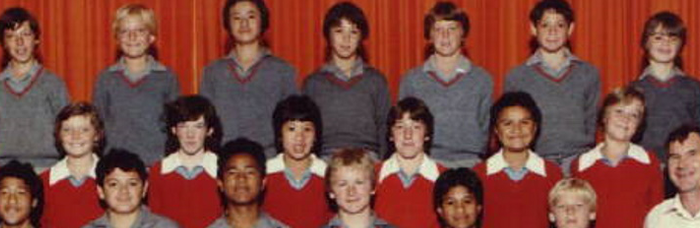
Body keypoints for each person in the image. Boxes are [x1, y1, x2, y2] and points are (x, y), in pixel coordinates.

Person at [573, 88, 663, 228]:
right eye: (619, 111)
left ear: (639, 124)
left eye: (634, 115)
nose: (626, 119)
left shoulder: (649, 162)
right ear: (604, 117)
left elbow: (657, 214)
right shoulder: (582, 165)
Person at [503, 0, 601, 172]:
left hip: (579, 160)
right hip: (535, 162)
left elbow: (591, 122)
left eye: (560, 25)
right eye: (545, 25)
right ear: (533, 29)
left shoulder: (588, 73)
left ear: (570, 29)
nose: (552, 31)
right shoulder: (517, 77)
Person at [397, 2, 493, 168]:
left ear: (463, 33)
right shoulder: (412, 79)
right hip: (425, 162)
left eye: (452, 28)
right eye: (438, 29)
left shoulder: (482, 79)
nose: (445, 36)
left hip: (469, 162)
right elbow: (403, 126)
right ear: (429, 35)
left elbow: (486, 126)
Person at [199, 0, 298, 156]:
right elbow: (204, 124)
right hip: (223, 159)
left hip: (270, 159)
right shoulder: (212, 72)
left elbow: (293, 123)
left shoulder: (283, 71)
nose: (244, 23)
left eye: (251, 17)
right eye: (237, 18)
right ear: (228, 24)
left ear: (262, 21)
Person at [475, 91, 563, 228]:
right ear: (496, 129)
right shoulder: (479, 174)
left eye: (524, 122)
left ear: (535, 128)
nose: (516, 130)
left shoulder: (553, 174)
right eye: (507, 123)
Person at [93, 3, 180, 167]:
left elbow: (175, 126)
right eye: (124, 31)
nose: (132, 37)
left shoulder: (167, 77)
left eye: (140, 31)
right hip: (116, 166)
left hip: (157, 164)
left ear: (151, 37)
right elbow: (97, 127)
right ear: (117, 38)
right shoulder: (105, 79)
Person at [0, 6, 70, 169]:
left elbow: (66, 129)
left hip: (48, 167)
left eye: (26, 34)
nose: (20, 42)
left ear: (36, 39)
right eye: (11, 36)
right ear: (3, 43)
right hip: (7, 168)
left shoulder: (54, 83)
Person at [302, 2, 390, 158]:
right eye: (339, 31)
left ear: (361, 37)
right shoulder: (313, 83)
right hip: (326, 157)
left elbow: (385, 128)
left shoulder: (376, 80)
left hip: (367, 156)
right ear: (328, 35)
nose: (346, 39)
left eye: (353, 32)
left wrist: (381, 165)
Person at [629, 12, 700, 163]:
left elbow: (699, 137)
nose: (665, 44)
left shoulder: (695, 89)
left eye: (673, 38)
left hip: (681, 167)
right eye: (658, 38)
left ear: (681, 45)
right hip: (643, 165)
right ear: (645, 42)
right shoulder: (633, 90)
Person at [148, 95, 224, 228]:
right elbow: (154, 223)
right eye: (183, 126)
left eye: (198, 126)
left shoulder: (221, 170)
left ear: (209, 130)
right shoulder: (158, 171)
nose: (190, 134)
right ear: (174, 130)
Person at [375, 98, 446, 228]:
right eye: (400, 127)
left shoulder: (444, 178)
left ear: (427, 134)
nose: (407, 135)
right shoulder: (372, 176)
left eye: (416, 127)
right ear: (391, 134)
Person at [41, 102, 106, 228]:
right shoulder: (43, 182)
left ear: (96, 135)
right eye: (67, 130)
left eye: (84, 129)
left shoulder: (111, 180)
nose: (75, 136)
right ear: (59, 135)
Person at [264, 95, 330, 228]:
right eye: (292, 129)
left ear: (316, 136)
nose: (300, 137)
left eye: (307, 129)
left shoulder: (328, 176)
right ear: (280, 134)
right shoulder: (264, 175)